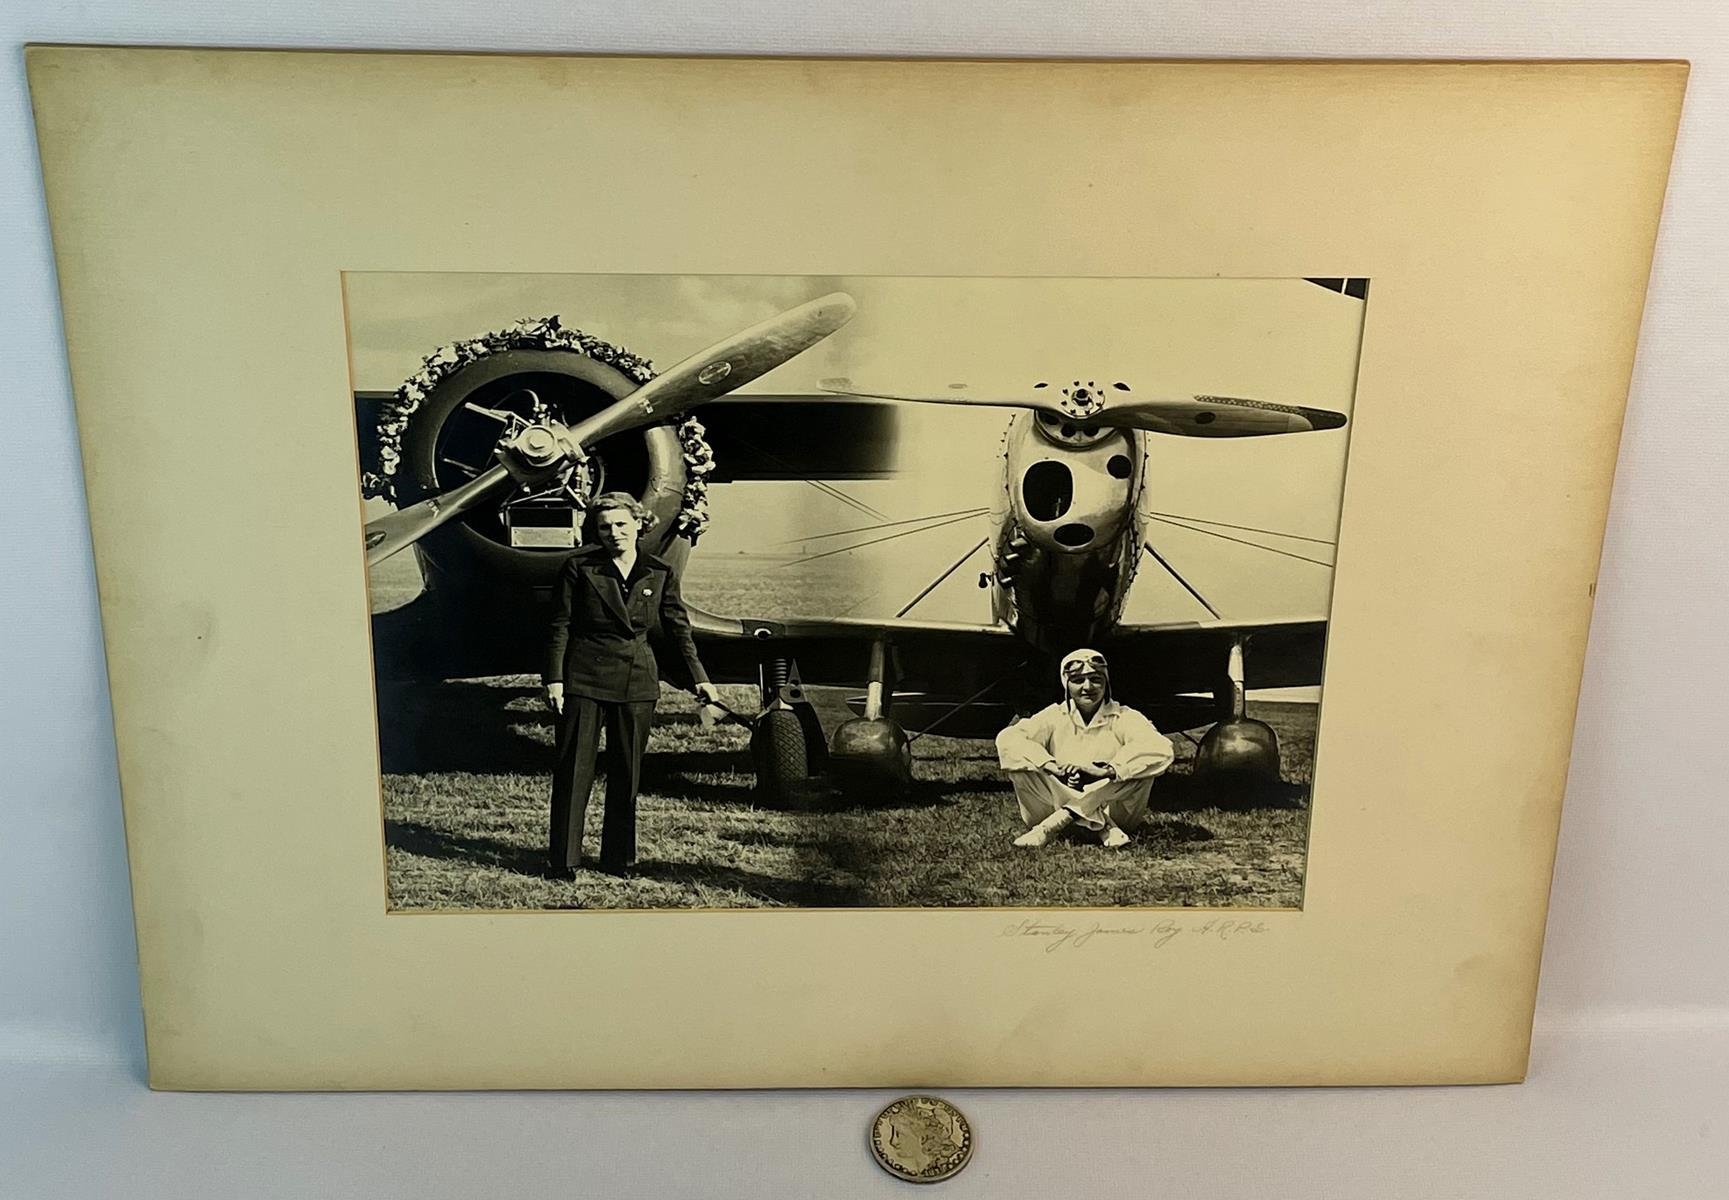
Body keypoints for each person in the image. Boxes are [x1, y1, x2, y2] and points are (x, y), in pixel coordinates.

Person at [543, 492, 720, 879]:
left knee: (628, 772)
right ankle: (564, 860)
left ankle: (618, 859)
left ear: (639, 524)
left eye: (622, 524)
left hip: (637, 680)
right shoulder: (579, 567)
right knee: (574, 769)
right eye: (605, 527)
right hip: (584, 677)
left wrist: (701, 680)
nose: (614, 533)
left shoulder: (658, 572)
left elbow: (678, 630)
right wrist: (555, 679)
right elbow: (560, 625)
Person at [994, 649, 1175, 849]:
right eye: (1078, 680)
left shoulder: (1124, 716)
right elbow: (1008, 738)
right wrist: (1052, 767)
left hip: (1113, 811)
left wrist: (1106, 771)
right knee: (1020, 765)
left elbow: (1160, 747)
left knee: (1139, 769)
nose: (1088, 687)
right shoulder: (1054, 715)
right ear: (1066, 685)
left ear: (1106, 682)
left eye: (1096, 679)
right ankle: (1103, 827)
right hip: (1052, 804)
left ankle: (1049, 827)